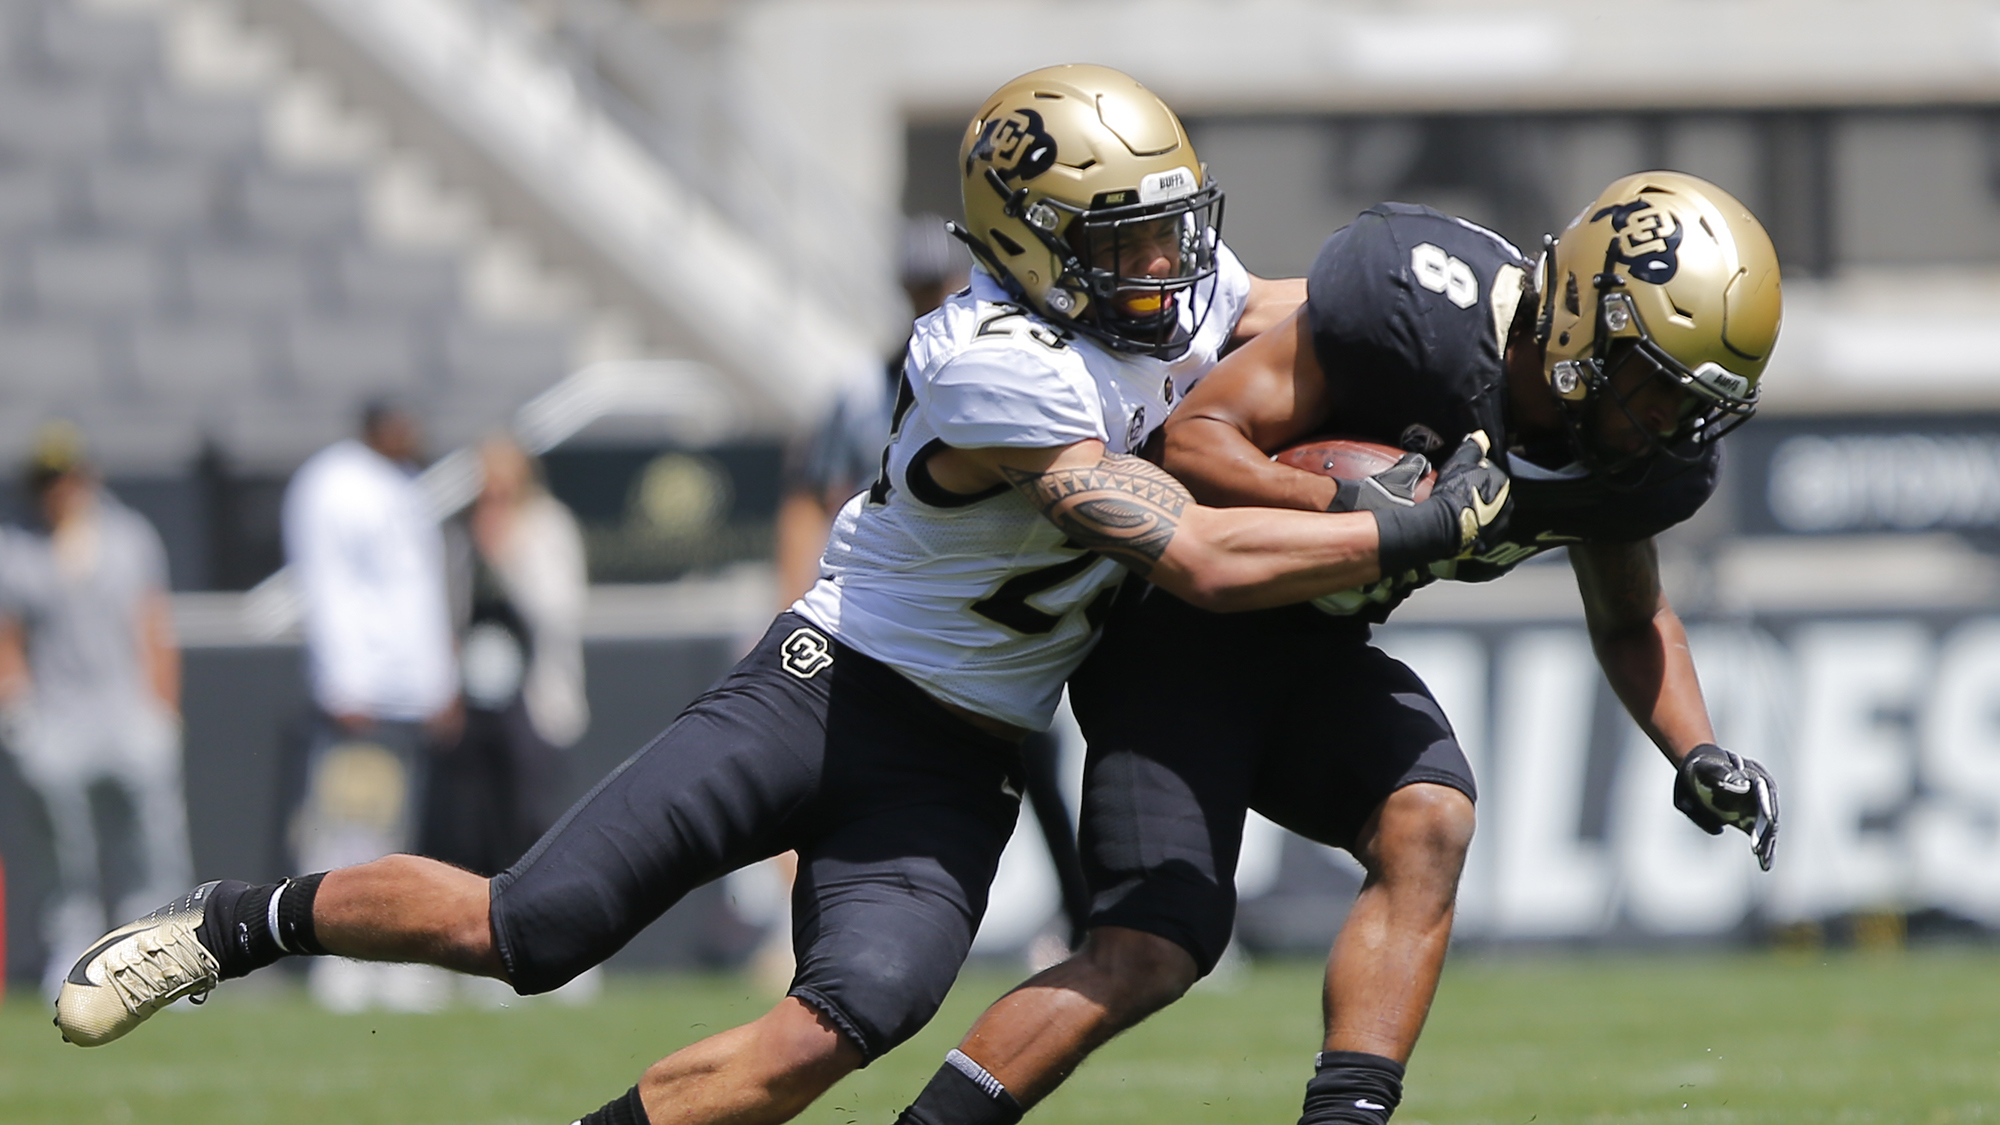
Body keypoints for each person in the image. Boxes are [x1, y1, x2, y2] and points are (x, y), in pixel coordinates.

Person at [52, 64, 1510, 1125]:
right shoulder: (990, 362)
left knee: (847, 1022)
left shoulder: (1166, 295)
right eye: (1122, 239)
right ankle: (233, 922)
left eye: (1168, 227)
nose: (1165, 265)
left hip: (966, 756)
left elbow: (1316, 314)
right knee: (531, 928)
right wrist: (1408, 523)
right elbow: (1189, 554)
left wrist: (1492, 370)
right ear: (1026, 245)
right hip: (825, 690)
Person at [885, 171, 1784, 1125]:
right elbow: (1194, 440)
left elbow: (1632, 615)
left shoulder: (1628, 464)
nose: (1667, 424)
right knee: (1152, 947)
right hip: (1177, 629)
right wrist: (1352, 506)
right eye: (1654, 384)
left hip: (1316, 642)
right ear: (1581, 317)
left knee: (1429, 816)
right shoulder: (1425, 313)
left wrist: (1696, 749)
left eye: (1693, 403)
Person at [763, 212, 1089, 985]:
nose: (928, 298)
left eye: (936, 282)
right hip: (890, 615)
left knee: (1040, 773)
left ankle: (1092, 917)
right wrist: (795, 596)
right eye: (916, 286)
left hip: (994, 616)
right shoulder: (861, 388)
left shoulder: (1015, 368)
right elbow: (810, 498)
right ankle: (827, 935)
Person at [280, 397, 461, 1011]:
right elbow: (324, 582)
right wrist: (343, 679)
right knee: (345, 829)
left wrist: (438, 682)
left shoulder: (404, 486)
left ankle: (397, 955)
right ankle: (339, 960)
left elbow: (421, 595)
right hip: (361, 692)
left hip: (410, 693)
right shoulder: (332, 482)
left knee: (399, 836)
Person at [0, 421, 191, 1001]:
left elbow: (152, 624)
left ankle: (160, 951)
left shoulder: (130, 537)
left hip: (127, 711)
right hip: (57, 718)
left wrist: (162, 710)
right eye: (46, 479)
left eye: (66, 476)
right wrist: (19, 711)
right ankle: (71, 946)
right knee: (64, 846)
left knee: (154, 839)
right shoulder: (14, 548)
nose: (58, 489)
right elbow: (9, 639)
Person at [423, 434, 590, 880]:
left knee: (533, 819)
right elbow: (450, 614)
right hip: (476, 705)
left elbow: (558, 608)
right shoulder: (464, 531)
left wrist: (509, 551)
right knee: (472, 825)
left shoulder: (547, 527)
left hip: (531, 701)